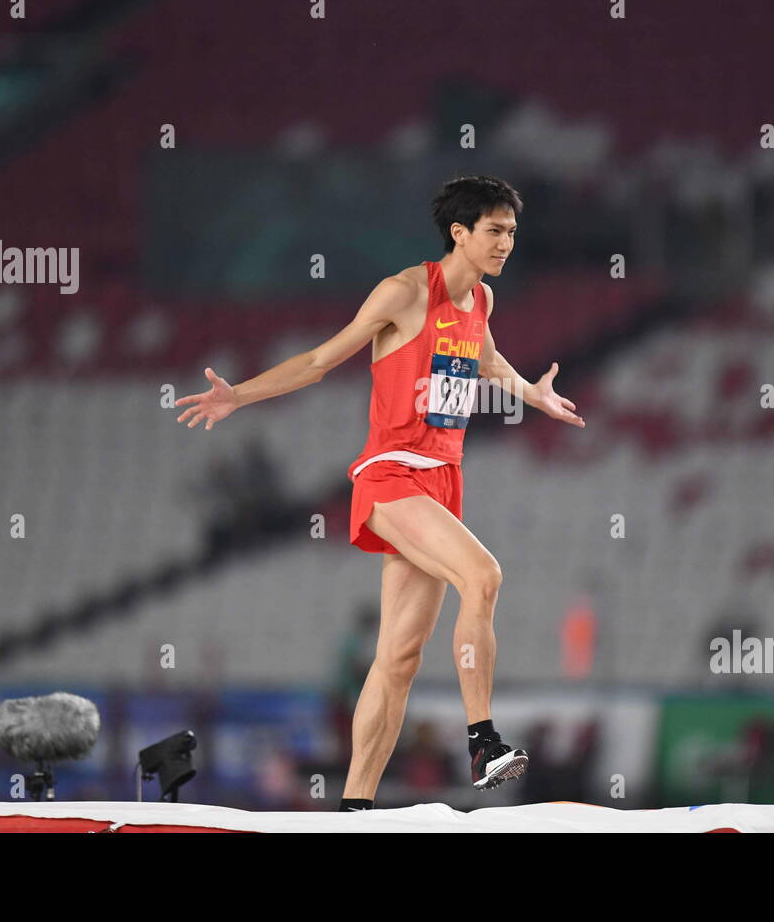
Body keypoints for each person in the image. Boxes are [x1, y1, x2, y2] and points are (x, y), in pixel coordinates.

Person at [175, 175, 585, 810]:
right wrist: (239, 395)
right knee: (483, 576)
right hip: (391, 474)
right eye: (496, 231)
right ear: (461, 232)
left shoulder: (481, 303)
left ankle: (354, 806)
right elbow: (319, 360)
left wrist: (531, 391)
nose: (508, 243)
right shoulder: (403, 292)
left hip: (443, 481)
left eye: (512, 232)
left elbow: (486, 359)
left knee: (399, 657)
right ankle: (483, 742)